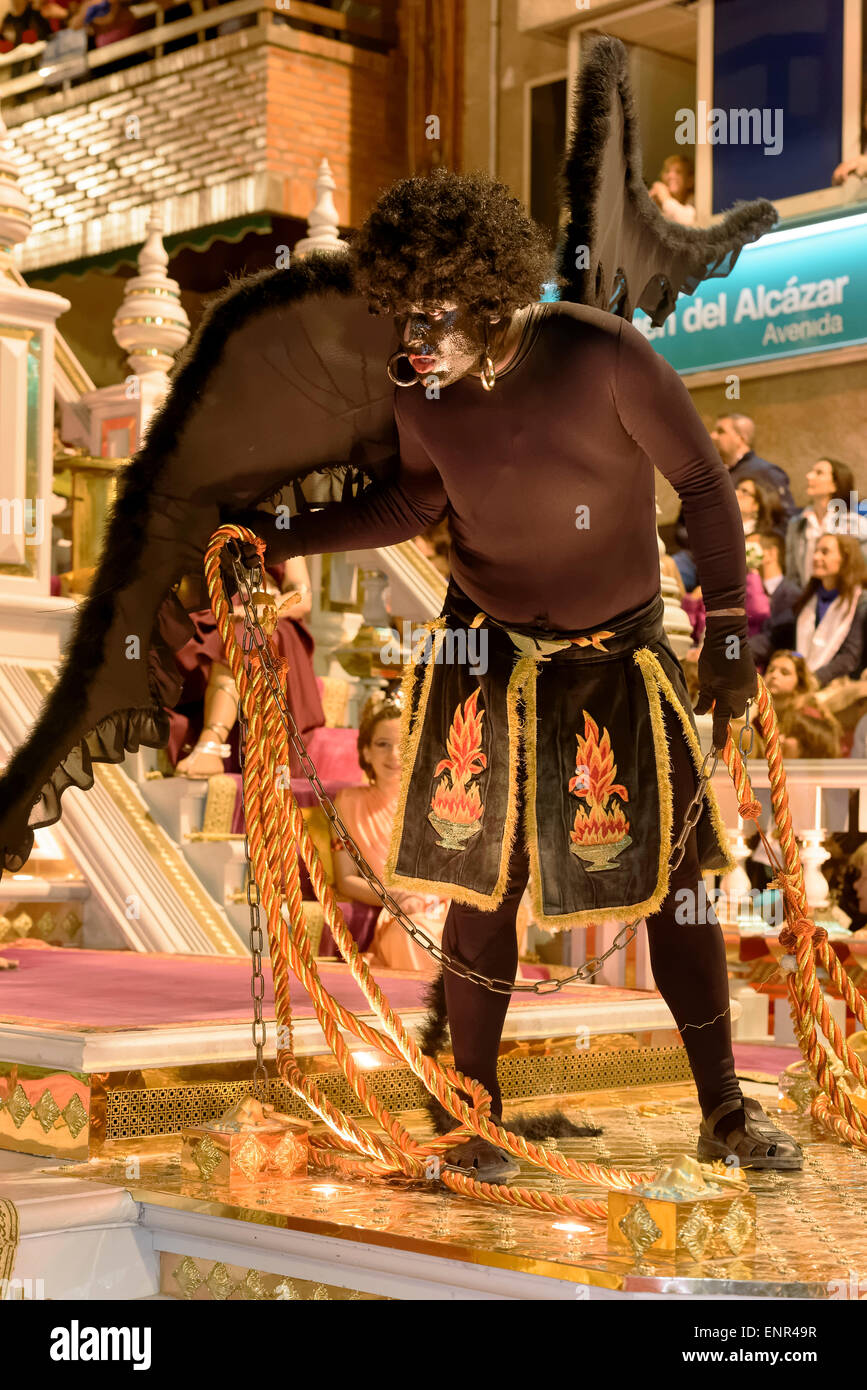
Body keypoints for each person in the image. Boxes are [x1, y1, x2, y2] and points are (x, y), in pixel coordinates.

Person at [231, 167, 801, 1178]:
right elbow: (409, 507)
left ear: (494, 292)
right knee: (481, 890)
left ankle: (724, 1109)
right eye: (402, 313)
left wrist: (725, 639)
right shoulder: (423, 392)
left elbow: (706, 486)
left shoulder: (603, 353)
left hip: (617, 655)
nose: (414, 338)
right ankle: (473, 1115)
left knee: (679, 886)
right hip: (485, 654)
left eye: (436, 313)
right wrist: (284, 530)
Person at [324, 693, 451, 969]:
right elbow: (346, 880)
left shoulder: (437, 799)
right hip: (400, 914)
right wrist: (396, 895)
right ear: (367, 751)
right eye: (382, 744)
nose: (393, 755)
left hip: (445, 907)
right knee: (414, 935)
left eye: (403, 745)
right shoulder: (348, 803)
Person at [794, 533, 867, 685]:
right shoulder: (808, 597)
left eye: (825, 552)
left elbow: (850, 656)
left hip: (837, 684)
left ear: (845, 559)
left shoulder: (861, 602)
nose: (816, 557)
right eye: (816, 551)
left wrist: (815, 679)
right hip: (803, 679)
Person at [786, 457, 867, 588]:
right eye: (811, 471)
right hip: (808, 599)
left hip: (843, 599)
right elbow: (792, 574)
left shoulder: (854, 523)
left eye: (819, 473)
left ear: (835, 484)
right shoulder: (797, 524)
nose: (809, 476)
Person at [710, 414, 797, 518]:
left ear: (741, 439)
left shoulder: (766, 472)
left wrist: (761, 535)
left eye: (721, 431)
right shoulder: (716, 472)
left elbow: (786, 517)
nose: (712, 436)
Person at [750, 533, 802, 667]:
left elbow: (776, 639)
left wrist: (737, 651)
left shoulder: (791, 594)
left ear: (772, 554)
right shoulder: (744, 591)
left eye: (750, 549)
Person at [763, 650, 819, 724]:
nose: (774, 675)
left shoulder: (808, 717)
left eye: (784, 672)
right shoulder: (763, 713)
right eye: (771, 670)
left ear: (799, 683)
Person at [648, 154, 696, 226]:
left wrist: (665, 199)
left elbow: (689, 221)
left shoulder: (695, 201)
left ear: (690, 181)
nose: (670, 176)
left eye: (678, 172)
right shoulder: (656, 201)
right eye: (667, 171)